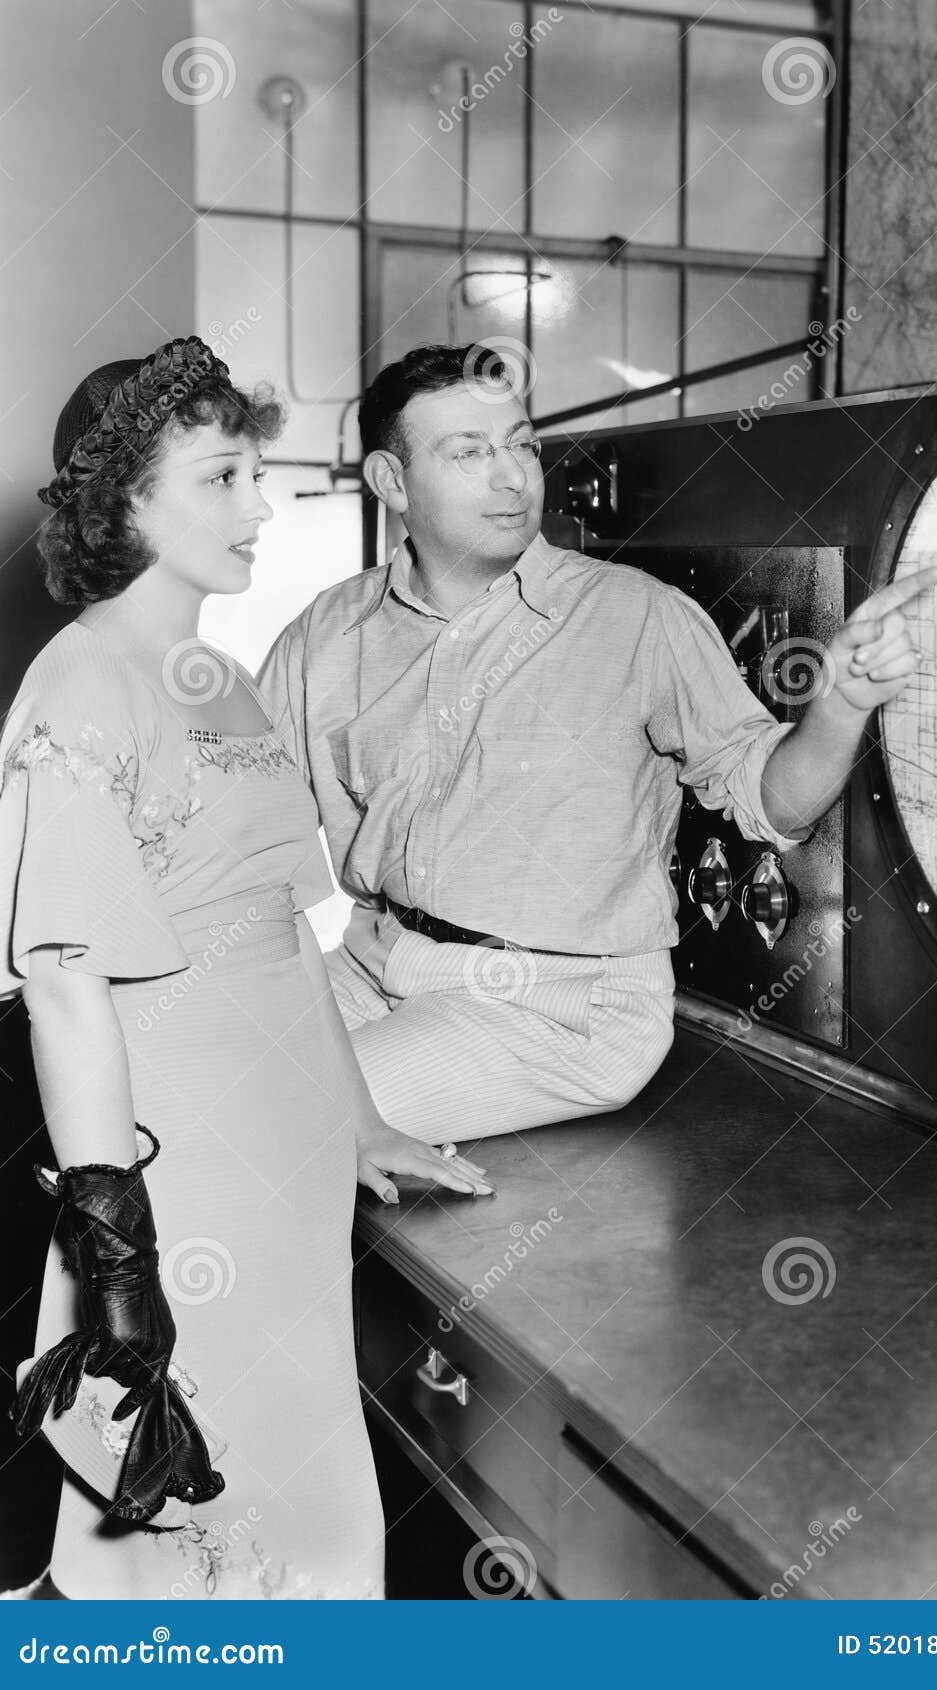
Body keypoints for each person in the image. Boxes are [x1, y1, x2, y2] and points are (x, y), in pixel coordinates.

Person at [1, 336, 488, 1602]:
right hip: (179, 1170)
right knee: (199, 1515)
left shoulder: (222, 676)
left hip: (288, 1161)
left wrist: (362, 1118)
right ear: (125, 504)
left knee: (307, 1488)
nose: (260, 507)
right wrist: (115, 1242)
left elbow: (280, 931)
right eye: (221, 478)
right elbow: (65, 987)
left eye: (254, 474)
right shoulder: (80, 684)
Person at [260, 344, 937, 1153]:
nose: (512, 476)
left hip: (559, 1007)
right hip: (375, 966)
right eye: (469, 453)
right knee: (164, 1070)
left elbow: (769, 802)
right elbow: (241, 829)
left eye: (521, 444)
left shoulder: (637, 618)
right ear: (390, 482)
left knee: (275, 1121)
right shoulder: (327, 635)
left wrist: (839, 709)